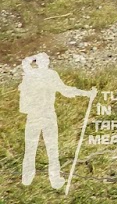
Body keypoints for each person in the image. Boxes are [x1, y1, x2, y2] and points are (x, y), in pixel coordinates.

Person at [18, 53, 92, 191]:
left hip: (34, 116)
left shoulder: (30, 74)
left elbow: (25, 62)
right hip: (47, 115)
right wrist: (86, 93)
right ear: (45, 63)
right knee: (52, 148)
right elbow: (65, 90)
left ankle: (27, 178)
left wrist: (32, 57)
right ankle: (54, 179)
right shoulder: (51, 75)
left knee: (31, 147)